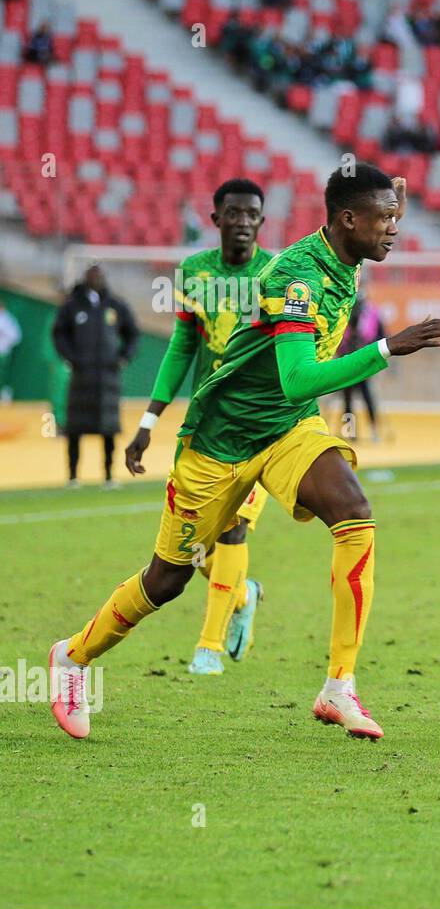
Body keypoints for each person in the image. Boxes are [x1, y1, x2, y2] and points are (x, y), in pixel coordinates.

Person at [46, 165, 440, 742]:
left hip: (286, 431)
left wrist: (391, 203)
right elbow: (296, 378)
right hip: (220, 441)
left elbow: (290, 401)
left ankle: (339, 685)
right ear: (347, 220)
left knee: (355, 511)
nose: (393, 230)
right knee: (167, 580)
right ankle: (72, 656)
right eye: (384, 220)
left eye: (395, 218)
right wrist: (388, 347)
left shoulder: (351, 248)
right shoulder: (294, 277)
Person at [124, 178, 275, 677]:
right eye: (233, 213)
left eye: (252, 213)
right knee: (196, 546)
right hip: (205, 425)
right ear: (216, 220)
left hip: (257, 423)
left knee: (233, 530)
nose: (243, 221)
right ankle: (242, 594)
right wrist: (149, 420)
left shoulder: (276, 272)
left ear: (261, 220)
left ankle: (208, 647)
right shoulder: (193, 272)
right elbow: (182, 347)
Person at [52, 265, 139, 487]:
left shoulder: (115, 305)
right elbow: (59, 333)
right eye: (92, 275)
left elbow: (132, 333)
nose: (96, 278)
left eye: (99, 275)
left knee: (108, 428)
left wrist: (123, 357)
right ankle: (72, 476)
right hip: (81, 376)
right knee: (75, 428)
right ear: (85, 278)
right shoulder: (73, 306)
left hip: (108, 378)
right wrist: (71, 357)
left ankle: (109, 475)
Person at [339, 295, 386, 443]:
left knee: (367, 398)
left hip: (363, 361)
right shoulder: (344, 313)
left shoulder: (372, 314)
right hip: (347, 362)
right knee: (348, 400)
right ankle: (350, 432)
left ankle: (373, 430)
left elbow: (380, 334)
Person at [0, 296, 20, 402]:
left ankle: (4, 397)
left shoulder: (7, 319)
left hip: (3, 353)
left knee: (2, 377)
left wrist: (4, 341)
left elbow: (15, 337)